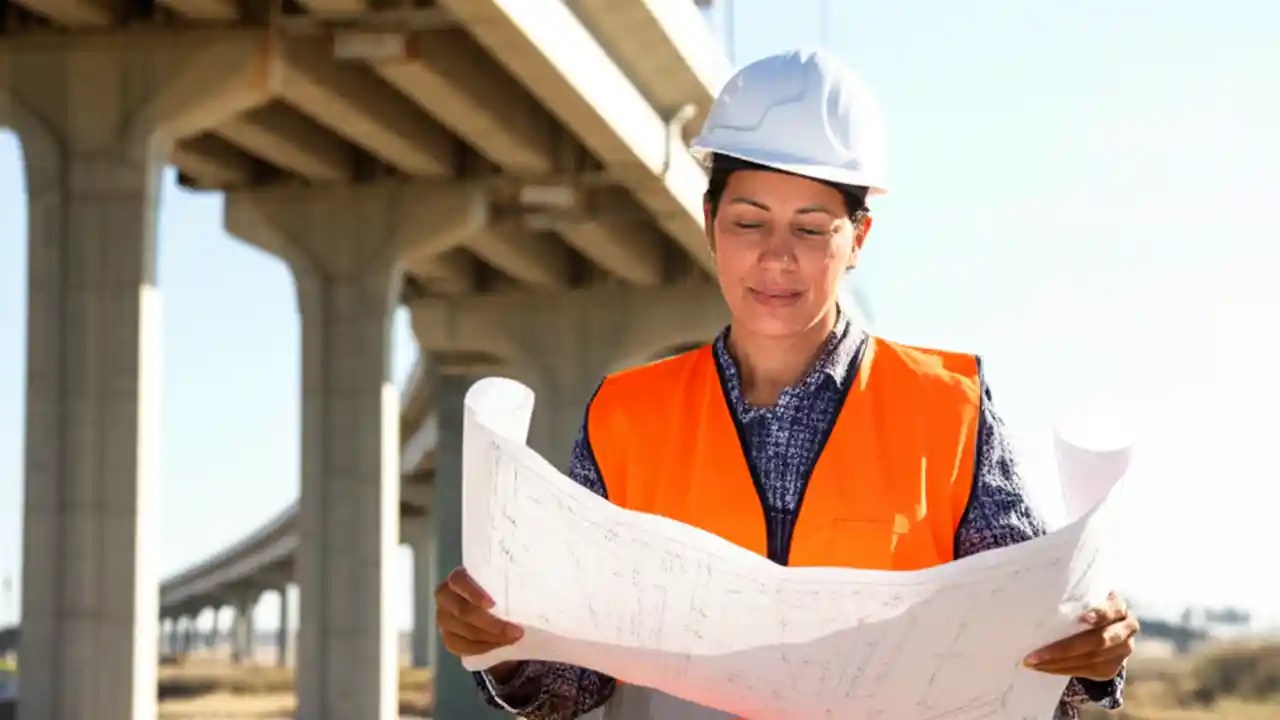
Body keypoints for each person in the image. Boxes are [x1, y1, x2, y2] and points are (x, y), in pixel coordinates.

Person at [435, 48, 1138, 720]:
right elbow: (575, 678)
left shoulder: (949, 410)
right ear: (709, 223)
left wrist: (1090, 651)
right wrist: (505, 649)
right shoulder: (624, 419)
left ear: (858, 239)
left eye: (810, 229)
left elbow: (1029, 637)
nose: (776, 258)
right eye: (749, 222)